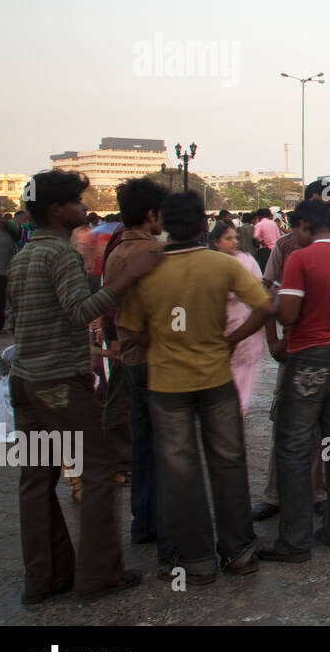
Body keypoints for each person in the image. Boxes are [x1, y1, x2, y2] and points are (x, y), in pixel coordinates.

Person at [7, 170, 162, 603]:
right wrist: (131, 276)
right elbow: (80, 310)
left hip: (26, 381)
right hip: (60, 383)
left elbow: (21, 320)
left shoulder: (24, 256)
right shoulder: (61, 254)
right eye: (77, 200)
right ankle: (99, 574)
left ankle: (44, 577)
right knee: (97, 472)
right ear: (58, 210)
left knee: (36, 480)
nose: (84, 205)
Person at [116, 190, 272, 584]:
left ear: (163, 224)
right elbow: (266, 306)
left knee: (179, 472)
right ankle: (238, 552)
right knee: (228, 464)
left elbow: (130, 329)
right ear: (205, 225)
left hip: (167, 385)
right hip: (216, 377)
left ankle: (197, 560)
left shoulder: (147, 269)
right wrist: (232, 339)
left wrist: (164, 343)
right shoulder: (222, 266)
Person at [258, 200, 330, 561]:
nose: (295, 237)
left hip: (308, 357)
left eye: (297, 230)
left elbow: (288, 313)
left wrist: (274, 309)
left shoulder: (300, 259)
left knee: (293, 447)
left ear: (306, 226)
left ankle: (294, 540)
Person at [99, 176, 170, 565]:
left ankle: (141, 521)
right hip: (153, 358)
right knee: (163, 444)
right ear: (150, 214)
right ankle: (158, 521)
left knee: (143, 442)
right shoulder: (152, 253)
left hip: (129, 358)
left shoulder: (115, 250)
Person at [210, 219, 268, 415]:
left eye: (235, 238)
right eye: (228, 238)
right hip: (221, 328)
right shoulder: (210, 264)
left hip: (245, 328)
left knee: (243, 379)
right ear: (216, 242)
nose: (234, 242)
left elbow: (259, 292)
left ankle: (236, 414)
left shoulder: (246, 260)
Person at [252, 207, 279, 272]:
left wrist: (261, 241)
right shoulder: (274, 223)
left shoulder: (259, 224)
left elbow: (255, 236)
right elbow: (278, 236)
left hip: (264, 249)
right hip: (274, 249)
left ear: (259, 216)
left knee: (265, 269)